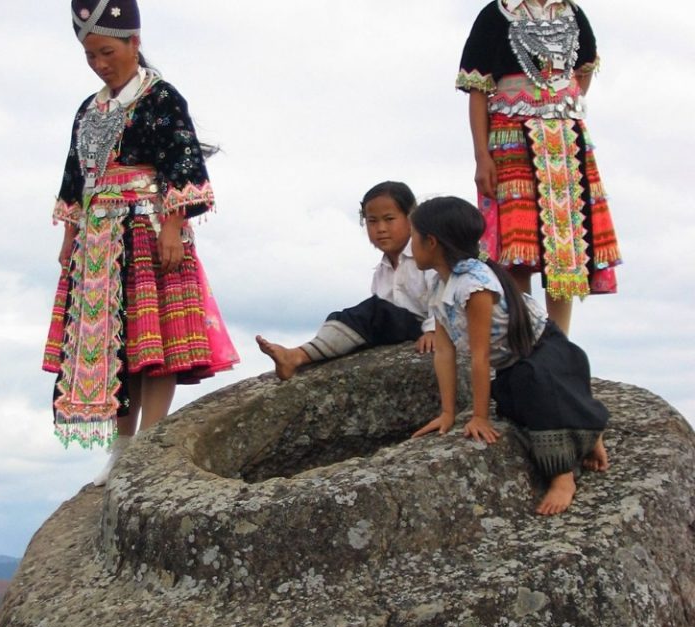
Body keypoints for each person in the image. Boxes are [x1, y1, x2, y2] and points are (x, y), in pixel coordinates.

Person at [42, 0, 239, 485]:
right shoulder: (89, 110)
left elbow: (182, 163)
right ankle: (121, 447)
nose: (99, 64)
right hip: (98, 238)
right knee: (115, 344)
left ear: (134, 42)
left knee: (155, 337)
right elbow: (75, 176)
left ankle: (147, 445)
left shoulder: (161, 98)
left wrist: (172, 226)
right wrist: (70, 235)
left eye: (107, 52)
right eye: (91, 56)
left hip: (147, 227)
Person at [410, 196, 608, 516]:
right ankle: (588, 432)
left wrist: (479, 416)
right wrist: (448, 413)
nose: (411, 244)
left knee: (540, 402)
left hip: (548, 355)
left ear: (431, 242)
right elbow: (444, 351)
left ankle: (563, 476)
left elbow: (479, 356)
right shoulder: (439, 285)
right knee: (512, 406)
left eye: (413, 236)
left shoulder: (475, 285)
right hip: (513, 364)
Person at [456, 0, 621, 335]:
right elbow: (477, 91)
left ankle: (559, 341)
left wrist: (557, 103)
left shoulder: (572, 13)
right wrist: (482, 156)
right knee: (518, 247)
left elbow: (583, 71)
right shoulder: (496, 15)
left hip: (564, 139)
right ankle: (525, 335)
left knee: (565, 246)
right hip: (510, 137)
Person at [256, 181, 438, 380]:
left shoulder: (427, 257)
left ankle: (297, 356)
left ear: (411, 219)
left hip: (424, 329)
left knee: (372, 312)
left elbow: (441, 295)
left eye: (389, 219)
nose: (381, 228)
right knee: (342, 318)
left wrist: (433, 331)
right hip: (398, 332)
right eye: (372, 221)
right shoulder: (381, 271)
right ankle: (306, 355)